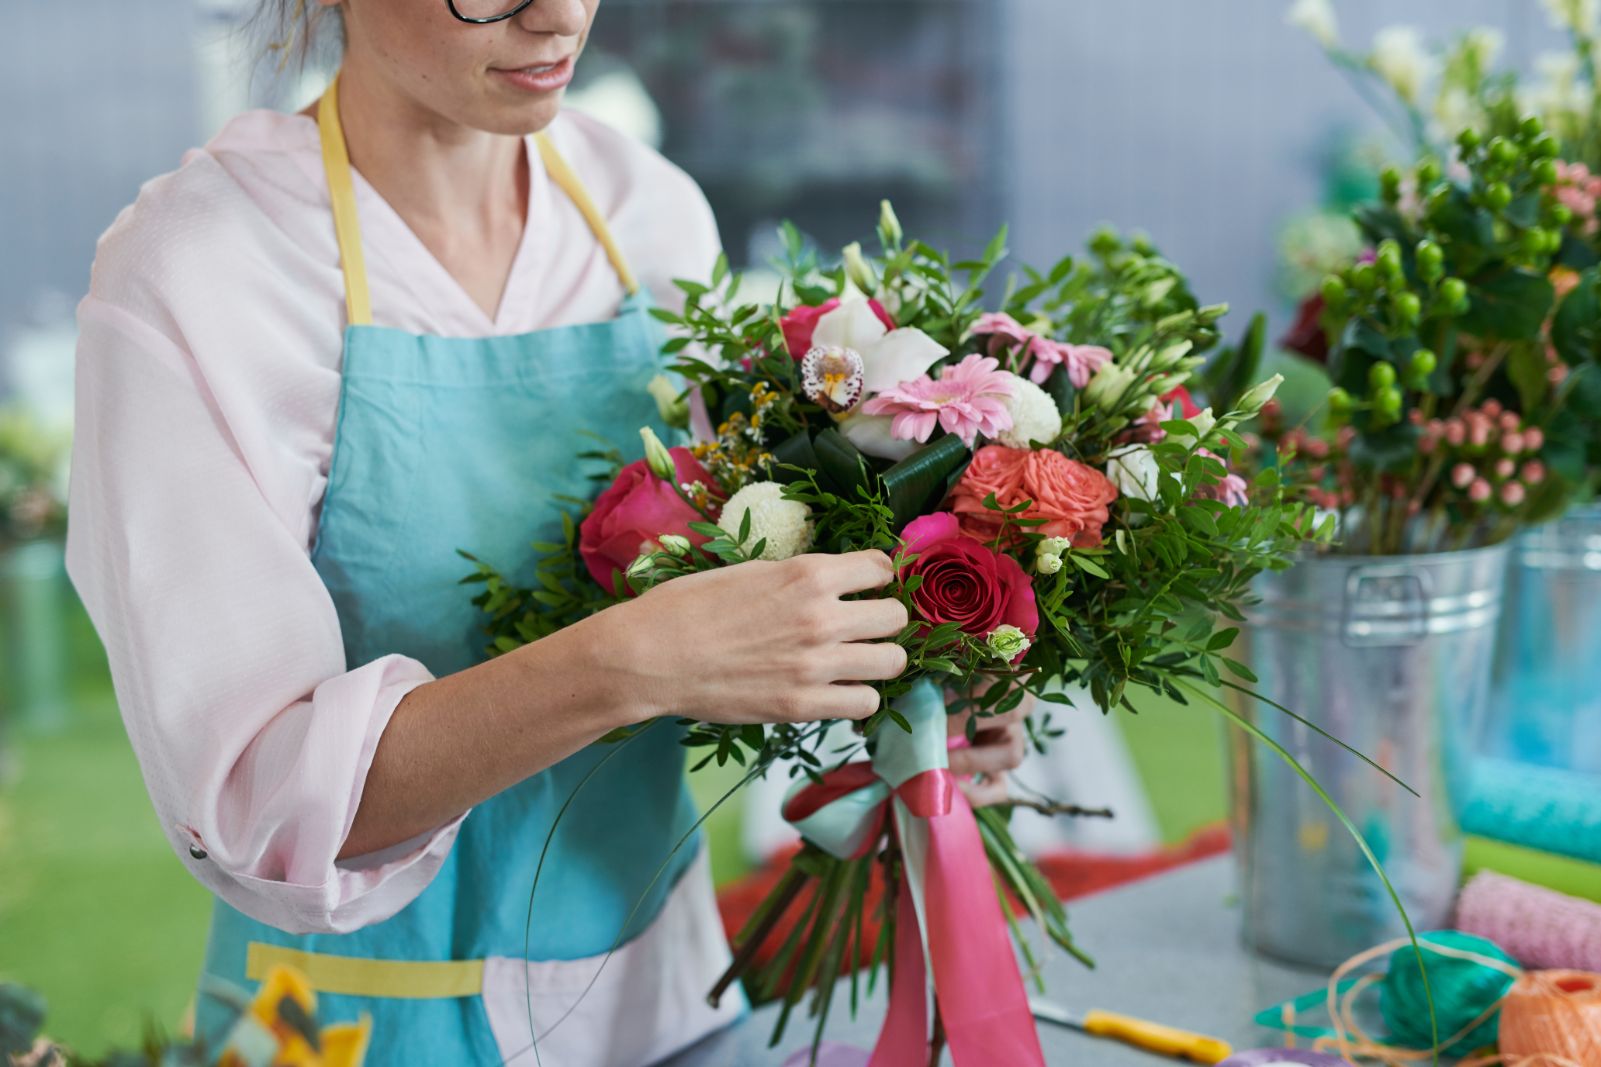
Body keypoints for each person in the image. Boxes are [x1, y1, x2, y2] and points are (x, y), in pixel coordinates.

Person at [64, 0, 1029, 1062]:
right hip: (360, 1025)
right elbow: (256, 803)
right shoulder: (203, 277)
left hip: (669, 1005)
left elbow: (747, 587)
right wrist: (631, 662)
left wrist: (903, 691)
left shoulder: (648, 214)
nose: (560, 14)